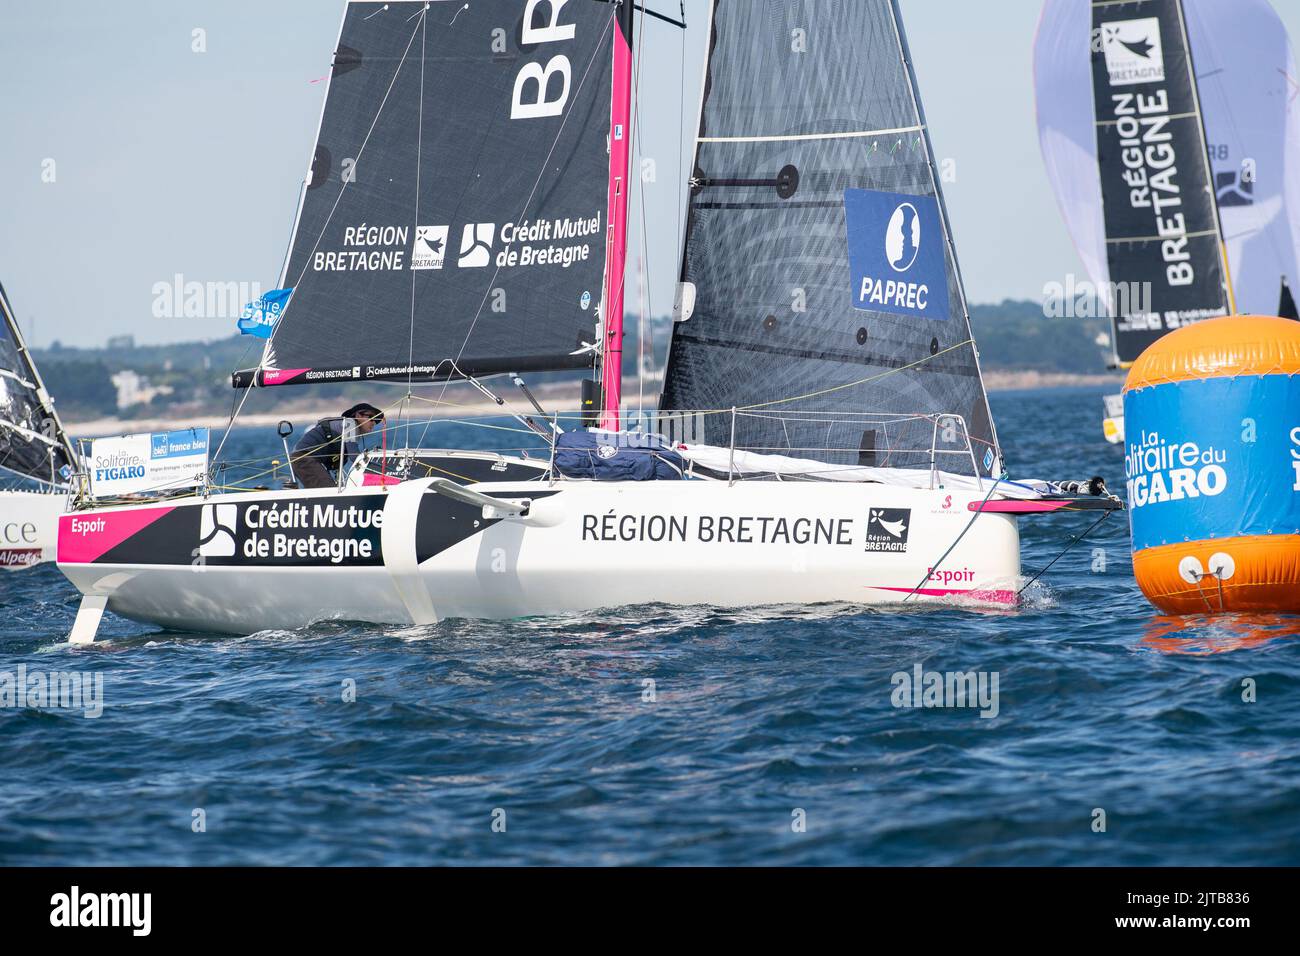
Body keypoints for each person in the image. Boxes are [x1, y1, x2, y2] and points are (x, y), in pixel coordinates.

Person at [290, 403, 385, 489]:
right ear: (358, 415)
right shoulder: (350, 424)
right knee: (328, 491)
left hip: (303, 459)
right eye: (371, 418)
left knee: (329, 488)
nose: (373, 423)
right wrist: (380, 473)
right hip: (304, 459)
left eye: (376, 420)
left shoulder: (344, 427)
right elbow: (355, 457)